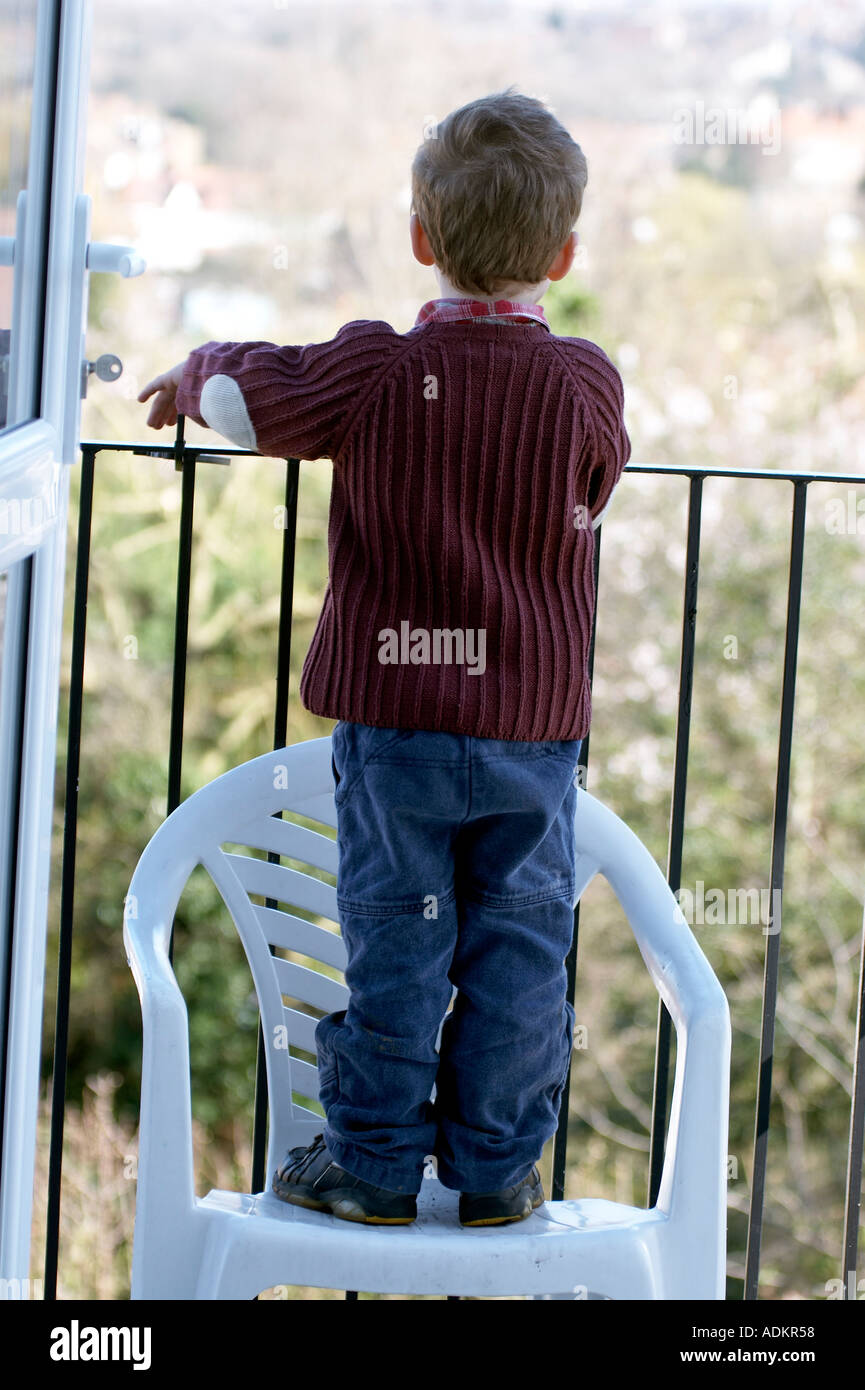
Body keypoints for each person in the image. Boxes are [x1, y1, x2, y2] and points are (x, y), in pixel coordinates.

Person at [138, 86, 630, 1228]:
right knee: (519, 943)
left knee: (396, 933)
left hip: (400, 725)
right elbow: (595, 478)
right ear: (560, 253)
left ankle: (370, 1162)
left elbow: (248, 397)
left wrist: (197, 365)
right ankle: (498, 1169)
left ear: (421, 239)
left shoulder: (369, 372)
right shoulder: (583, 381)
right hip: (531, 730)